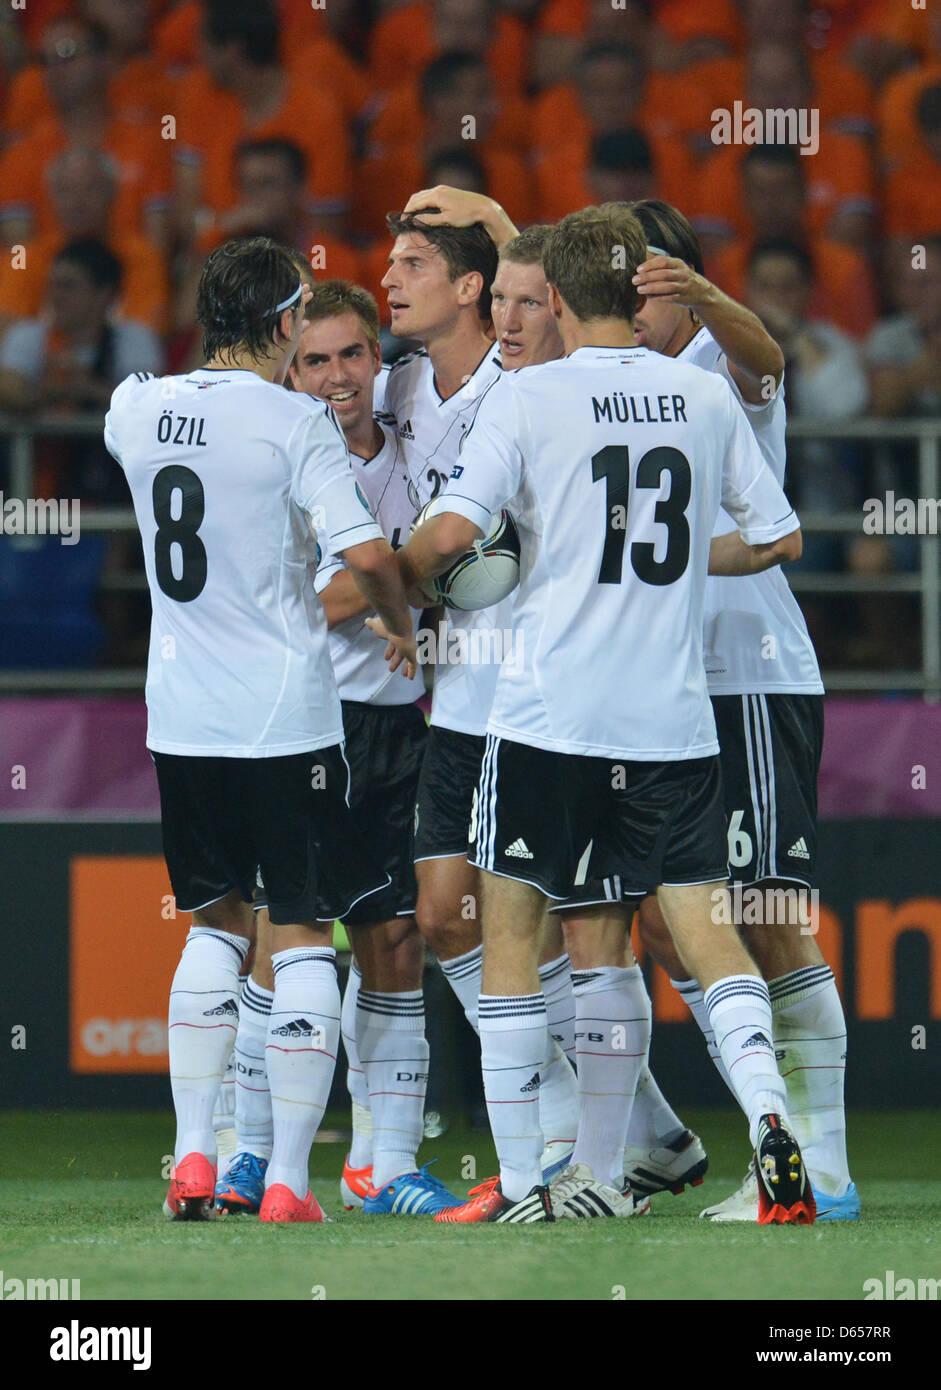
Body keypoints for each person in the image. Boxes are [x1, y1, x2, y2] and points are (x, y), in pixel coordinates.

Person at [400, 203, 810, 1225]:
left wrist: (413, 579)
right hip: (670, 726)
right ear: (636, 290)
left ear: (564, 298)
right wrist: (662, 570)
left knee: (512, 939)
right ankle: (768, 1127)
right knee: (704, 937)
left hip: (550, 722)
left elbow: (449, 532)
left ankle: (536, 1181)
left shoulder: (530, 399)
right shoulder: (698, 394)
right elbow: (775, 541)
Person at [104, 236, 416, 1224]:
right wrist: (404, 627)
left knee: (210, 928)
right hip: (284, 719)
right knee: (297, 936)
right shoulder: (295, 422)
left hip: (182, 715)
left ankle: (193, 1159)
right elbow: (365, 554)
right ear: (286, 324)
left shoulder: (134, 406)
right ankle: (285, 1178)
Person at [624, 199, 857, 1222]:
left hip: (748, 670)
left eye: (647, 282)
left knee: (765, 914)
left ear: (678, 281)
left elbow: (768, 357)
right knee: (674, 927)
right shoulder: (611, 387)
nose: (632, 303)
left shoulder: (722, 372)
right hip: (661, 684)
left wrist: (703, 292)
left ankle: (828, 1168)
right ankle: (777, 1149)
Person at [215, 279, 460, 1218]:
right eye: (312, 360)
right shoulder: (277, 451)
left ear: (377, 357)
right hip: (302, 724)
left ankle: (382, 1162)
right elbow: (318, 599)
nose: (333, 377)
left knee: (395, 937)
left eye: (350, 355)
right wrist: (405, 578)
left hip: (395, 726)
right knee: (281, 941)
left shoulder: (412, 434)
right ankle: (249, 1155)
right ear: (289, 366)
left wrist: (401, 582)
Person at [379, 205, 581, 1180]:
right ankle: (588, 1124)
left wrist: (498, 221)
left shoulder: (525, 379)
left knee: (530, 923)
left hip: (528, 691)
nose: (389, 277)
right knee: (439, 914)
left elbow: (551, 276)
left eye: (412, 260)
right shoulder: (397, 387)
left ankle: (564, 1142)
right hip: (452, 689)